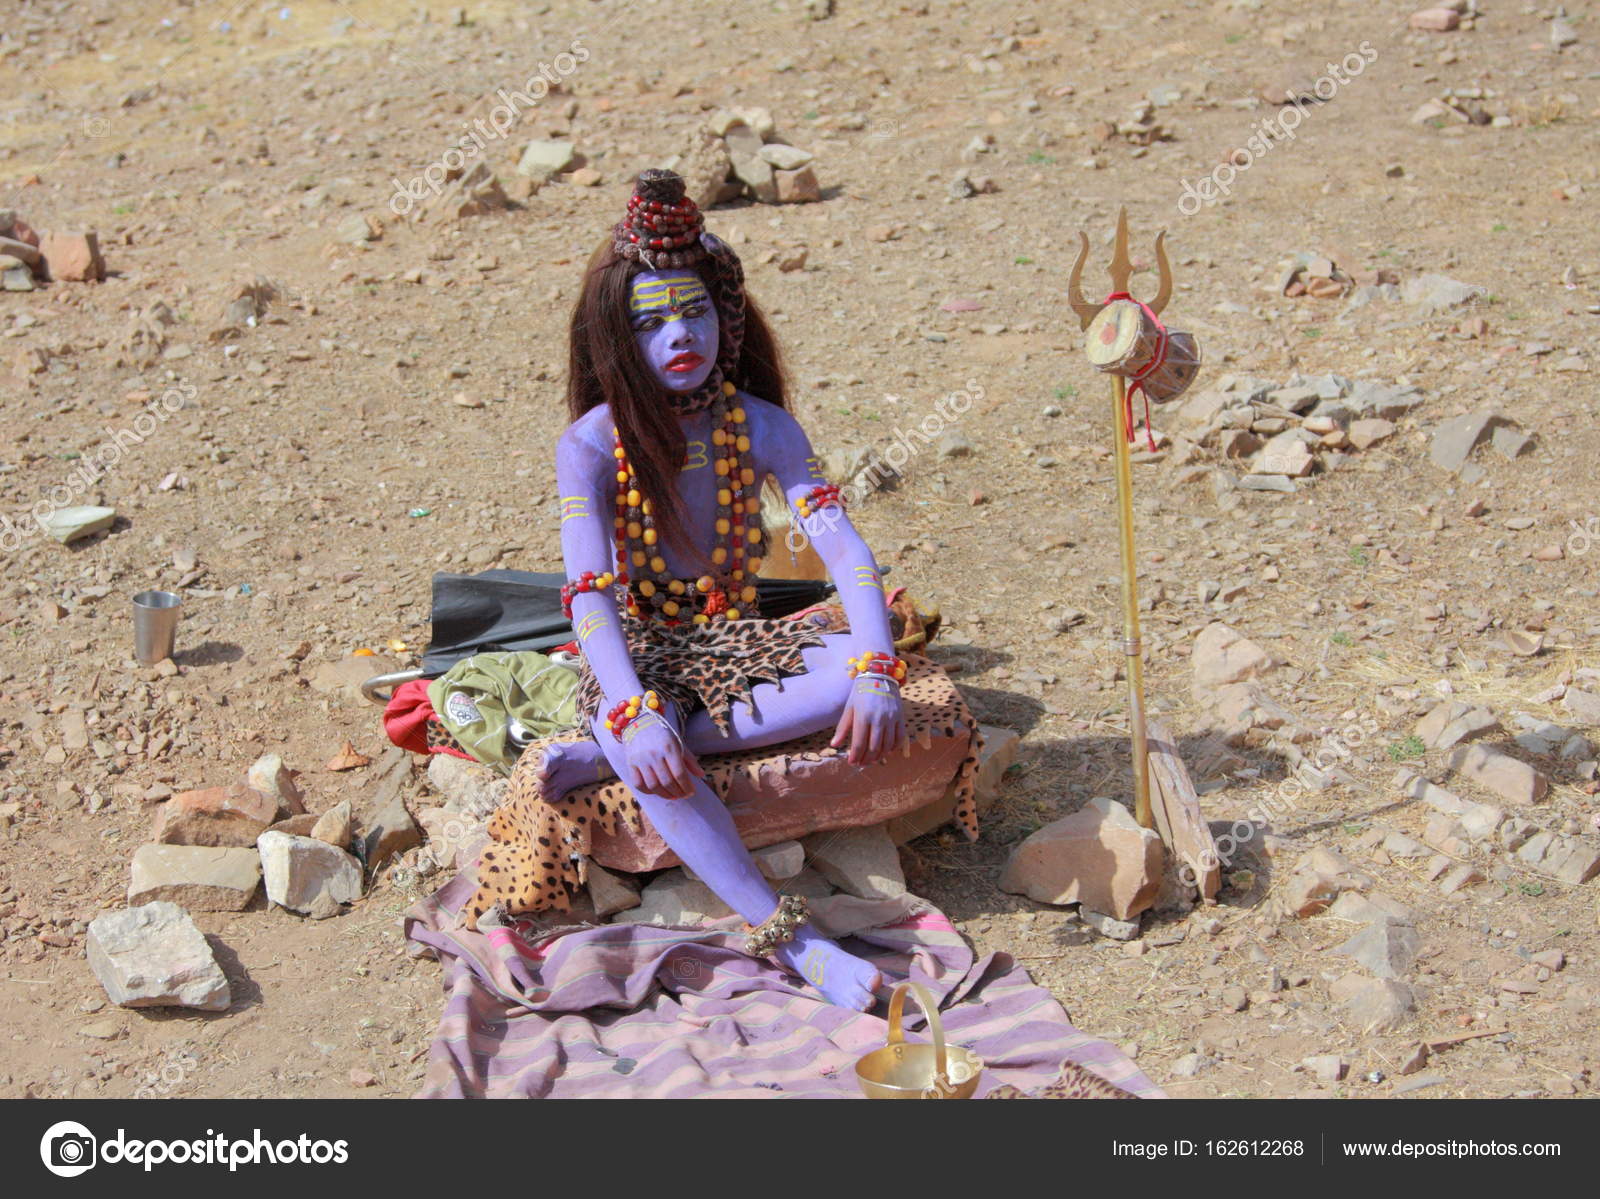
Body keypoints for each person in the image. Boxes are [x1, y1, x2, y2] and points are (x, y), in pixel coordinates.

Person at [468, 170, 975, 1010]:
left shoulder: (763, 426)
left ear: (726, 316)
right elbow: (589, 593)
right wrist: (629, 706)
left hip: (731, 637)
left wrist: (878, 668)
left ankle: (622, 749)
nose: (680, 336)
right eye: (651, 322)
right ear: (617, 340)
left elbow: (845, 552)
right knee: (645, 739)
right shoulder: (590, 445)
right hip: (638, 652)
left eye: (695, 311)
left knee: (854, 675)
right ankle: (795, 939)